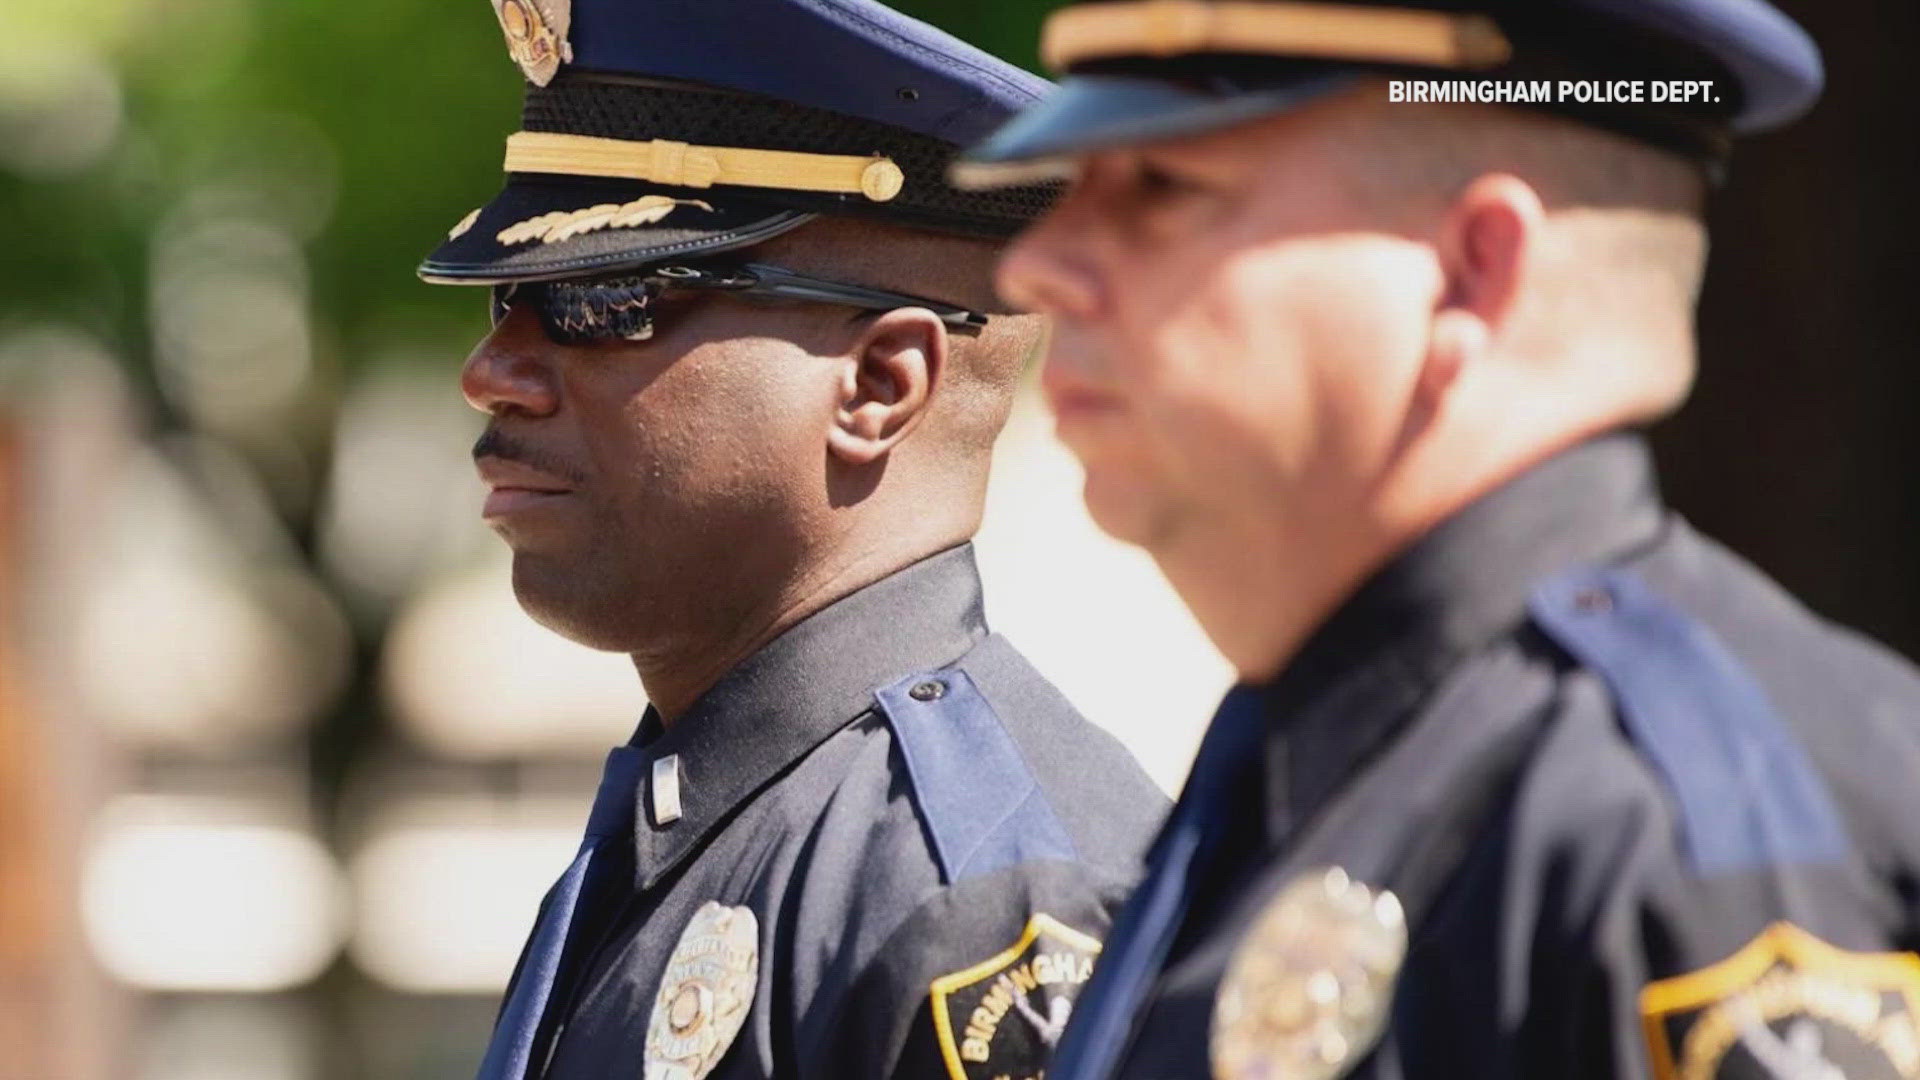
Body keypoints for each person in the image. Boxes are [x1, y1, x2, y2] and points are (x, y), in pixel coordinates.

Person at [952, 0, 1920, 1077]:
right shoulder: (1326, 748)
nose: (1037, 265)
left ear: (1470, 271)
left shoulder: (1674, 826)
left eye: (1165, 189)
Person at [416, 2, 1169, 1078]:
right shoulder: (716, 810)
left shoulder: (976, 896)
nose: (493, 373)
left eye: (601, 299)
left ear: (878, 385)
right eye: (505, 300)